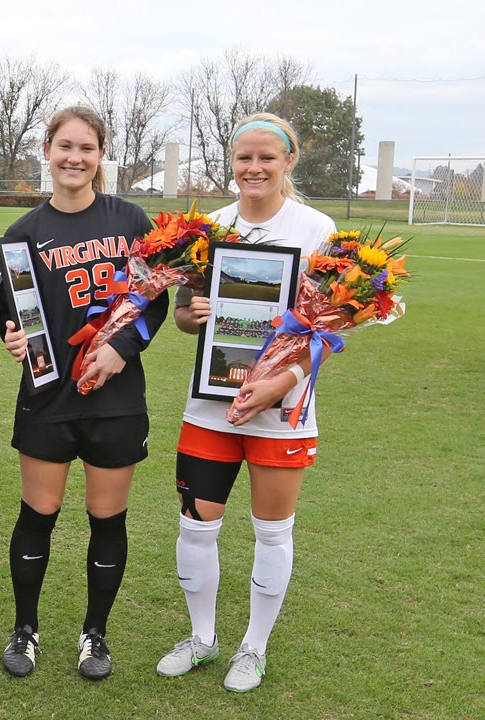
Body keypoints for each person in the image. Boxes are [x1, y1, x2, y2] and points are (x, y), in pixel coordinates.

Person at [156, 113, 337, 693]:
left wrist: (281, 384)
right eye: (244, 158)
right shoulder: (210, 226)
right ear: (231, 163)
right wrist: (192, 315)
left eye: (267, 158)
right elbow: (185, 314)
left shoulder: (315, 229)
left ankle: (253, 648)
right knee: (196, 529)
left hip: (280, 410)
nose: (254, 168)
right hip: (212, 403)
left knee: (272, 530)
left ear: (289, 162)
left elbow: (333, 328)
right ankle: (203, 638)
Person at [0, 106, 167, 680]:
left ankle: (95, 635)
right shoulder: (22, 234)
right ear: (47, 150)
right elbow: (8, 314)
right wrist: (14, 337)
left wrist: (122, 350)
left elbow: (157, 297)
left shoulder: (130, 219)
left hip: (115, 400)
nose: (74, 158)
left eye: (86, 148)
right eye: (64, 146)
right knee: (37, 514)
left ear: (100, 155)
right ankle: (25, 631)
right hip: (47, 396)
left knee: (107, 517)